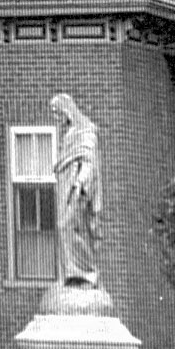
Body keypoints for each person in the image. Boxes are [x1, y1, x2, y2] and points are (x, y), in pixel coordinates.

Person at [49, 92, 101, 285]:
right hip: (65, 188)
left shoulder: (86, 132)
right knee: (64, 227)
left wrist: (80, 182)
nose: (57, 118)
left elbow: (89, 162)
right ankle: (72, 273)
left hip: (77, 188)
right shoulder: (69, 134)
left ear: (67, 110)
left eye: (57, 112)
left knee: (70, 226)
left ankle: (87, 272)